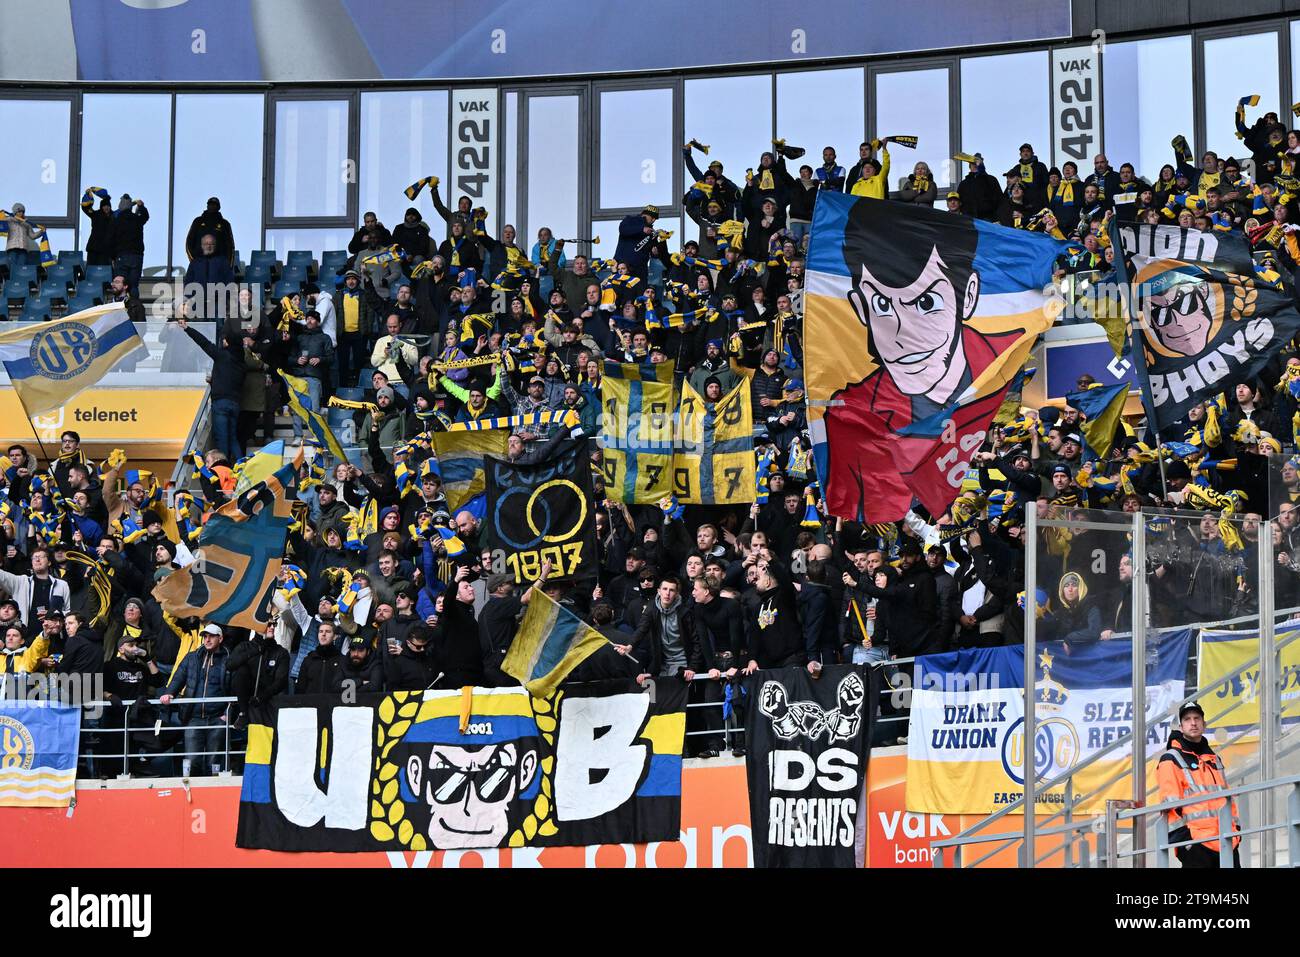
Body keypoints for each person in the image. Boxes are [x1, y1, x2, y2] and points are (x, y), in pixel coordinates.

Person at [1156, 701, 1241, 868]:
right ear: (1180, 726)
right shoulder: (1171, 759)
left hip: (1227, 839)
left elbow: (1226, 797)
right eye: (1187, 719)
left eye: (1197, 718)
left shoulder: (1214, 759)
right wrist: (1185, 841)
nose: (1193, 723)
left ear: (1204, 724)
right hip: (1196, 844)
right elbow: (1169, 805)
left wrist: (1236, 829)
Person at [160, 623, 231, 777]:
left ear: (220, 638)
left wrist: (227, 714)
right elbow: (179, 677)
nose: (207, 639)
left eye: (211, 636)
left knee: (214, 761)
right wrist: (170, 693)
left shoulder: (229, 660)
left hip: (217, 718)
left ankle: (213, 794)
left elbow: (234, 688)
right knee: (192, 760)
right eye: (205, 636)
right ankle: (194, 795)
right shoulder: (192, 657)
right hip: (193, 717)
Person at [111, 194, 149, 293]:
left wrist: (112, 257)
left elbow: (112, 239)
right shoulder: (137, 219)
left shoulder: (116, 220)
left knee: (120, 285)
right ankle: (135, 307)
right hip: (136, 256)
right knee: (133, 285)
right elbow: (145, 216)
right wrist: (141, 207)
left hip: (121, 256)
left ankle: (120, 306)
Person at [184, 197, 235, 264]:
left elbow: (230, 246)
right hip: (200, 262)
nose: (212, 206)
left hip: (218, 265)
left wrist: (227, 266)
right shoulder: (198, 221)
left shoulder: (224, 224)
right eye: (210, 204)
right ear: (207, 206)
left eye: (215, 205)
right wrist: (194, 261)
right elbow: (189, 242)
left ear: (219, 207)